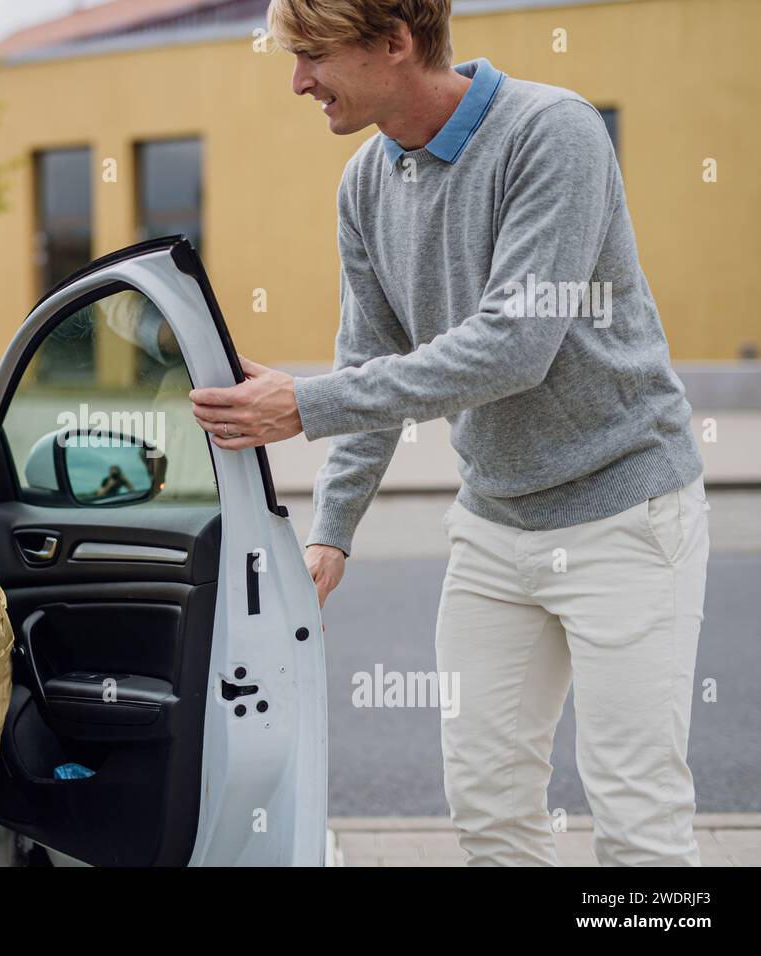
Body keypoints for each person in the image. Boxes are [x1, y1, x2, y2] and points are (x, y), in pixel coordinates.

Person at [188, 0, 708, 866]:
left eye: (314, 55)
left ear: (396, 41)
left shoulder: (554, 133)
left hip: (628, 514)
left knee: (638, 822)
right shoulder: (363, 183)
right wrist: (333, 532)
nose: (297, 81)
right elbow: (368, 360)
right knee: (489, 810)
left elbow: (515, 347)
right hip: (494, 528)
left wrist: (307, 406)